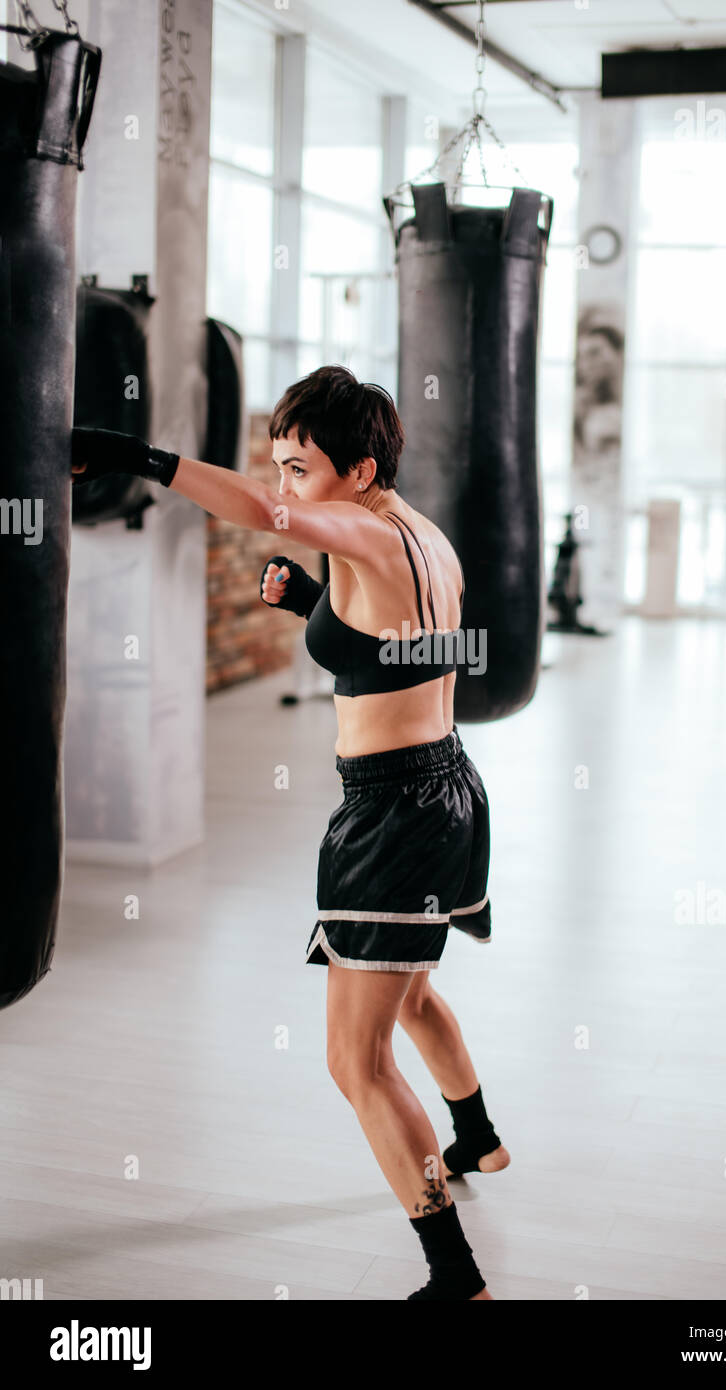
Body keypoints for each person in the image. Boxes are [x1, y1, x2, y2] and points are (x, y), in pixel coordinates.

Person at [70, 364, 509, 1301]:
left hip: (391, 813)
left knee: (354, 1061)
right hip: (450, 789)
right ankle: (477, 1133)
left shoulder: (348, 525)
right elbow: (409, 655)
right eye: (277, 463)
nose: (283, 487)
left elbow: (254, 514)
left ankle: (453, 1272)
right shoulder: (422, 536)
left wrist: (138, 456)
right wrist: (313, 609)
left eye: (299, 468)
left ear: (357, 469)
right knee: (412, 991)